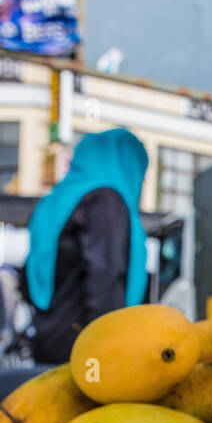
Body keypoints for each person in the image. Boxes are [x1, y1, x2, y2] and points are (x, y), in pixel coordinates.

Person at [22, 128, 150, 363]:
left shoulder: (55, 201)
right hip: (85, 349)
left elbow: (30, 280)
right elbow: (105, 278)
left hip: (49, 339)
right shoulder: (104, 200)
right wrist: (110, 349)